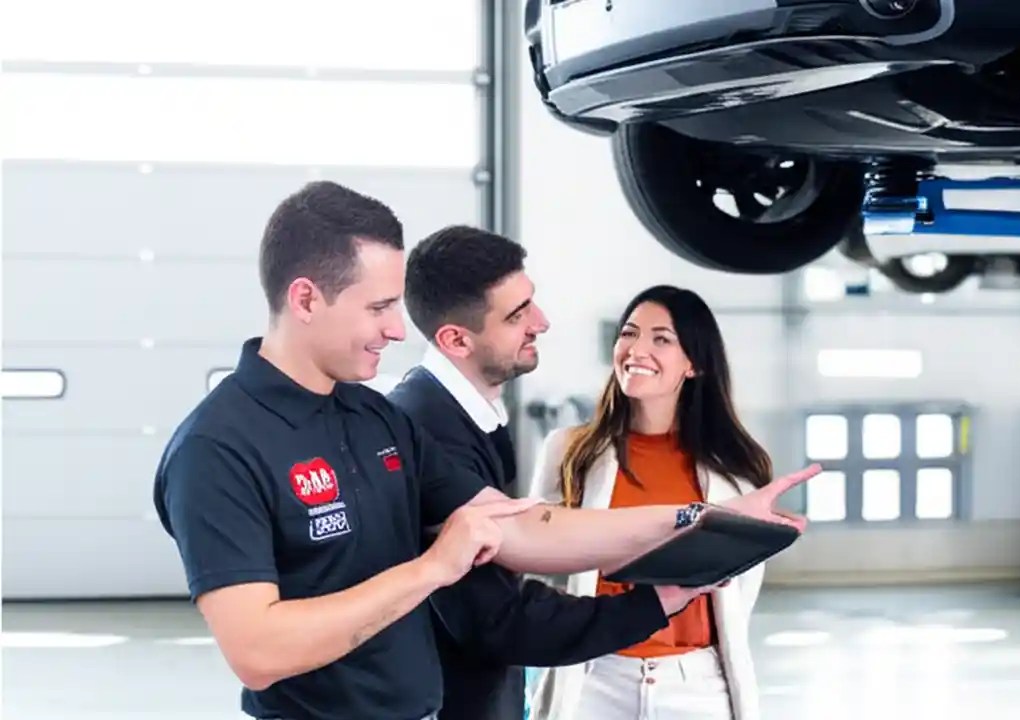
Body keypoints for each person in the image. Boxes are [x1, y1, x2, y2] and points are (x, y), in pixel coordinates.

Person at [152, 181, 817, 720]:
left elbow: (524, 530)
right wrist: (432, 567)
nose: (394, 327)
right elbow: (259, 649)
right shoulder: (217, 449)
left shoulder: (373, 417)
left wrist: (701, 519)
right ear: (305, 299)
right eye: (379, 307)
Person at [386, 225, 719, 720]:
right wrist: (658, 595)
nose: (540, 322)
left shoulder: (467, 420)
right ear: (456, 339)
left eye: (531, 303)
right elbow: (501, 611)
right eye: (518, 314)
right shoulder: (428, 431)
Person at [528, 285, 776, 720]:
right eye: (629, 333)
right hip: (594, 676)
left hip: (695, 684)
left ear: (694, 363)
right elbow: (536, 559)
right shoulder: (568, 451)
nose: (637, 349)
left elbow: (740, 594)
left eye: (662, 338)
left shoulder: (735, 470)